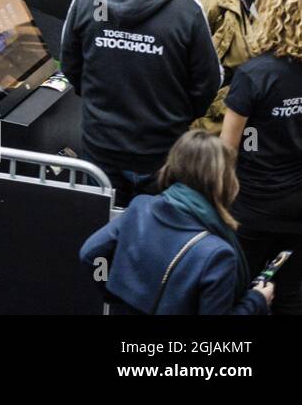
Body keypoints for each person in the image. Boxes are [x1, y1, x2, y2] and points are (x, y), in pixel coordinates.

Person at [61, 0, 222, 205]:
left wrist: (99, 101)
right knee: (154, 237)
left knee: (101, 232)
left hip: (100, 148)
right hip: (161, 153)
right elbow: (209, 83)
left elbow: (71, 64)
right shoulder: (186, 9)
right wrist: (176, 117)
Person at [80, 130, 272, 315]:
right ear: (225, 180)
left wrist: (113, 292)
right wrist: (256, 301)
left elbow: (91, 253)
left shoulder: (140, 207)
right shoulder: (219, 254)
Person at [221, 0, 302, 315]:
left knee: (237, 292)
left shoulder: (253, 76)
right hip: (297, 209)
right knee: (291, 294)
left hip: (251, 209)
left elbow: (226, 149)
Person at [196, 0, 302, 132]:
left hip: (276, 140)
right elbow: (190, 72)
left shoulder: (297, 4)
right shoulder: (217, 1)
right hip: (221, 130)